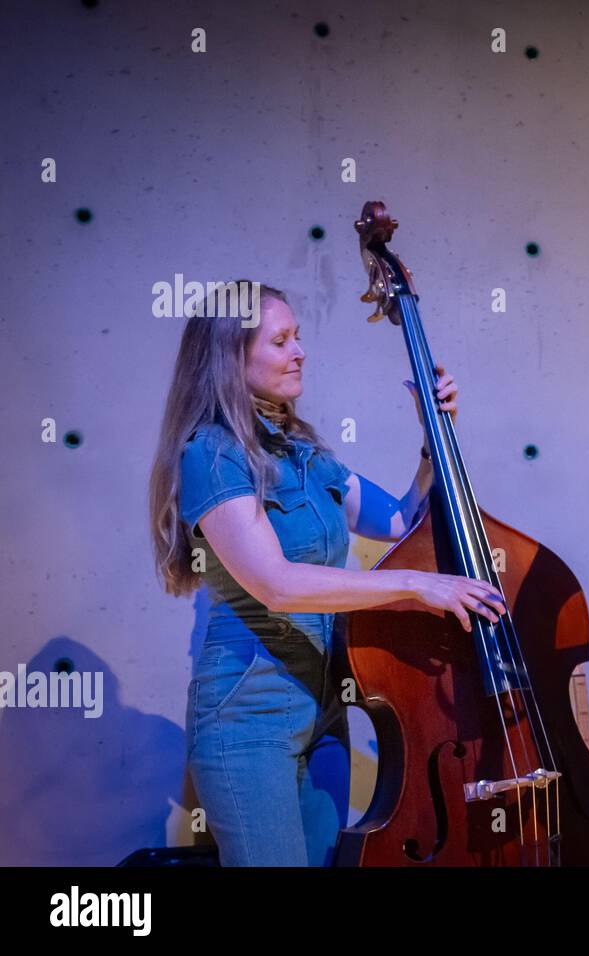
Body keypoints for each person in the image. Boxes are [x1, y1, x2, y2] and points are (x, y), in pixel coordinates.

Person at [148, 280, 506, 866]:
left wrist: (433, 438)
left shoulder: (302, 452)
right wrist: (415, 584)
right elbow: (277, 584)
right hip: (249, 717)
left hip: (324, 710)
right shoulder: (210, 454)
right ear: (231, 358)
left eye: (298, 337)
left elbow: (399, 521)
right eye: (280, 341)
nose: (299, 352)